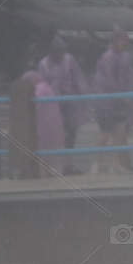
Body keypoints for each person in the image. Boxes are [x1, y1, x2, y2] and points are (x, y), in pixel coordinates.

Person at [91, 26, 133, 174]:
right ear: (114, 41)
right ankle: (96, 163)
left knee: (119, 133)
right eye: (121, 40)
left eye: (125, 41)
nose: (124, 43)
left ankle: (116, 163)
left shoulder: (124, 56)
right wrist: (123, 96)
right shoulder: (108, 57)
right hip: (106, 102)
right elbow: (109, 81)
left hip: (120, 101)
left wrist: (130, 93)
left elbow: (130, 76)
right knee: (105, 134)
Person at [38, 34, 89, 174]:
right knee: (53, 137)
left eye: (63, 50)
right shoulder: (43, 64)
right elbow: (41, 86)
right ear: (52, 52)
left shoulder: (69, 59)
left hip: (70, 104)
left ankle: (68, 165)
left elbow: (78, 78)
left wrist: (83, 95)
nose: (61, 54)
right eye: (58, 51)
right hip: (52, 106)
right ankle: (52, 167)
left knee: (71, 134)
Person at [19, 52, 66, 178]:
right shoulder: (46, 87)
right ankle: (51, 174)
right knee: (51, 153)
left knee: (43, 151)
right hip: (54, 126)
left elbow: (35, 109)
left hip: (44, 127)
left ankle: (43, 175)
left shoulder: (39, 90)